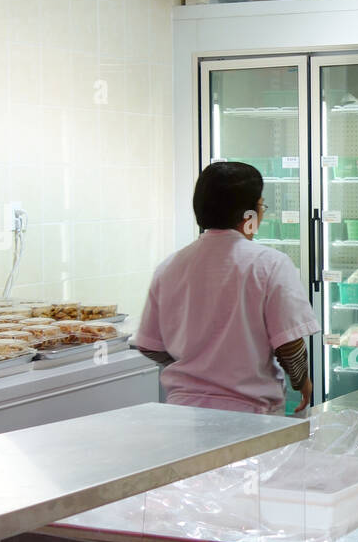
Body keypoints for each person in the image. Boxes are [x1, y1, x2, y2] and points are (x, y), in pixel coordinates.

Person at [133, 161, 319, 413]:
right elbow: (289, 345)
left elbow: (149, 345)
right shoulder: (270, 264)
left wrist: (195, 366)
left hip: (182, 412)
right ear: (251, 214)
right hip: (249, 415)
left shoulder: (169, 267)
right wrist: (302, 382)